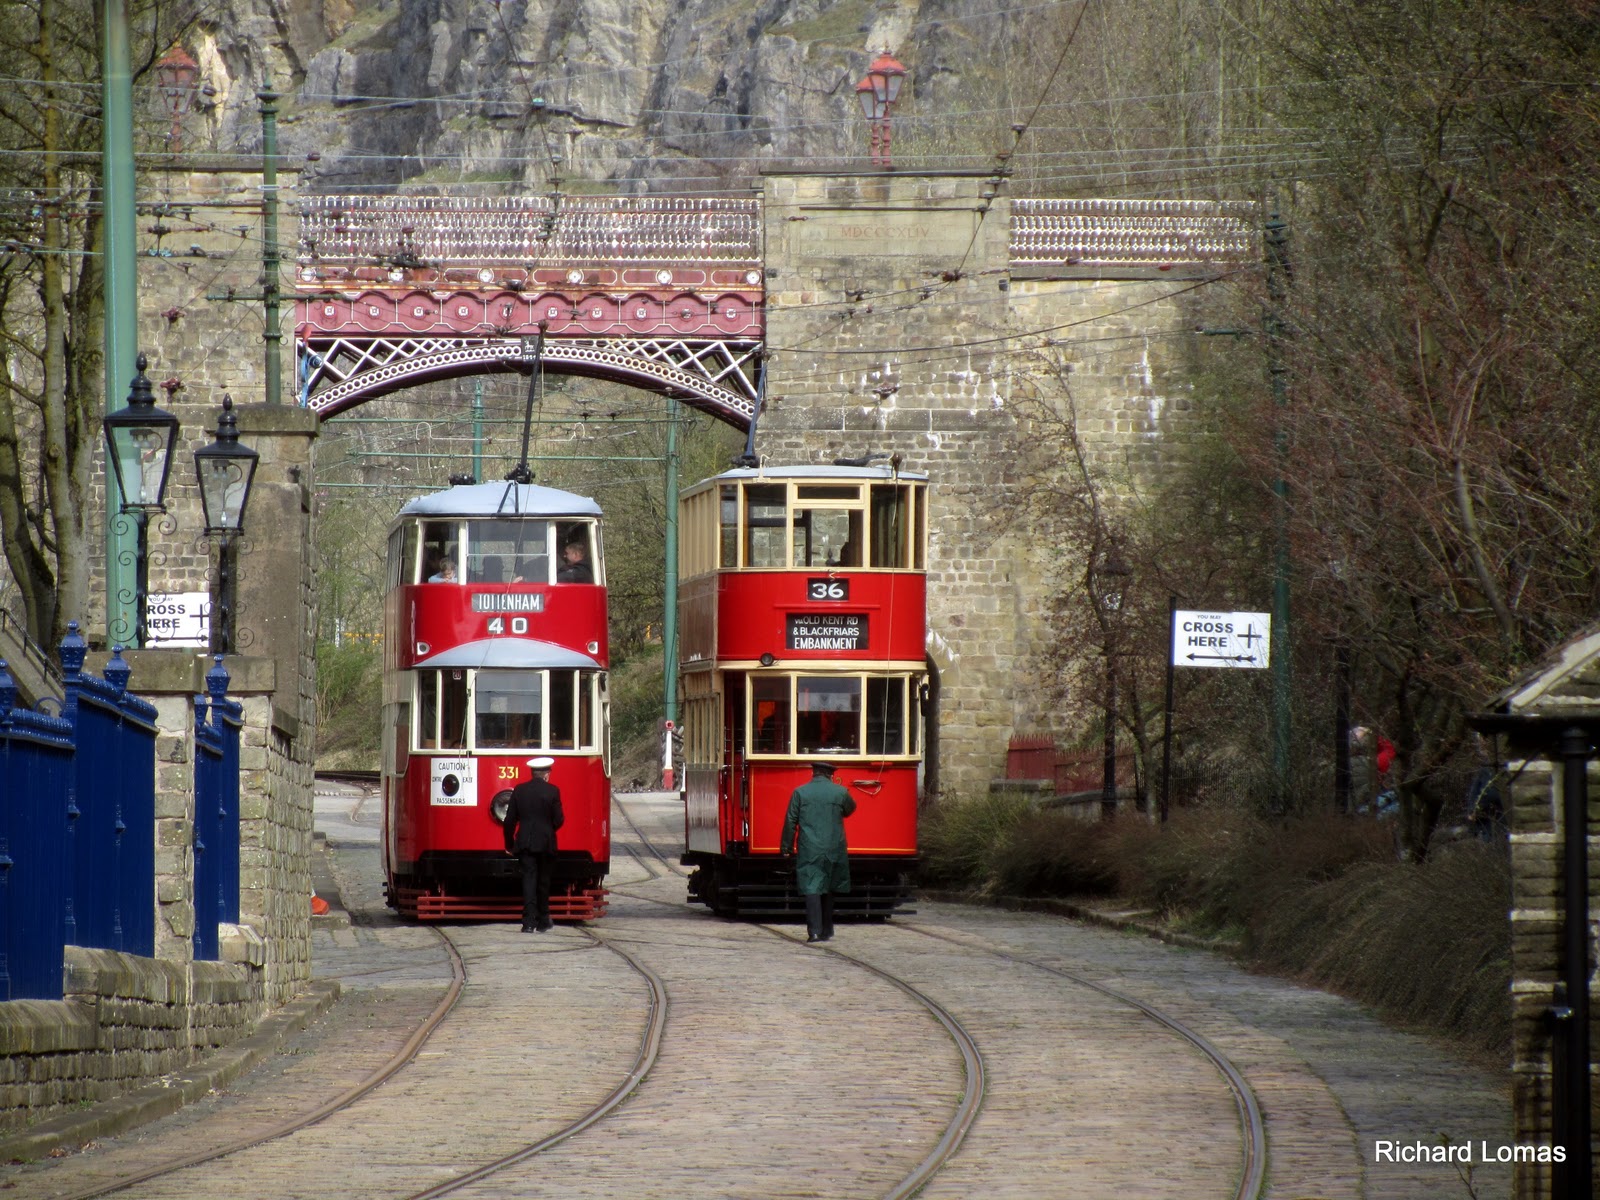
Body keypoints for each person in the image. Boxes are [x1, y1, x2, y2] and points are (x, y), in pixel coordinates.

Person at [780, 761, 857, 942]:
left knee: (812, 887)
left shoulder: (800, 792)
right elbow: (850, 809)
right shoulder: (840, 792)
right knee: (829, 886)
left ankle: (813, 931)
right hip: (834, 846)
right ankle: (827, 930)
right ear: (830, 775)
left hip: (809, 847)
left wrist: (786, 847)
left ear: (813, 773)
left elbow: (790, 821)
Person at [503, 756, 564, 932]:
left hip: (525, 842)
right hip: (546, 843)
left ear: (532, 773)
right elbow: (559, 819)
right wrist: (548, 830)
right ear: (546, 774)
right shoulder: (553, 791)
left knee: (529, 880)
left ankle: (528, 922)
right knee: (544, 881)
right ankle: (543, 920)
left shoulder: (520, 790)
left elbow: (509, 821)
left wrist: (509, 844)